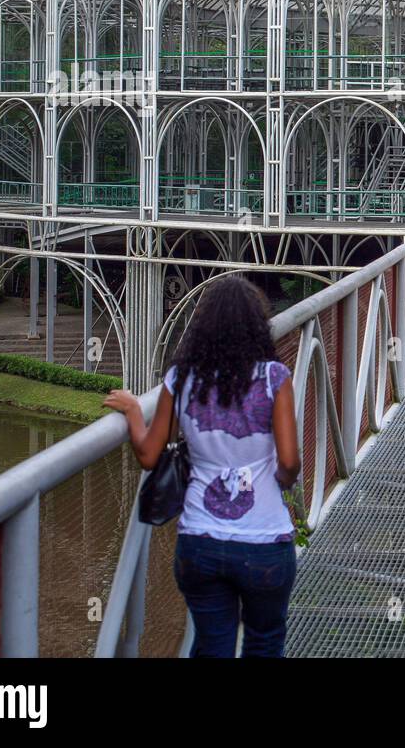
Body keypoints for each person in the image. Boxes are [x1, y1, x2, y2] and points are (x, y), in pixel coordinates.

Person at [103, 276, 300, 657]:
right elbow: (290, 461)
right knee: (265, 640)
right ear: (258, 325)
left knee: (212, 645)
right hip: (264, 544)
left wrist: (132, 411)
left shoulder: (181, 378)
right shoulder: (275, 378)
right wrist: (281, 480)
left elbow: (148, 454)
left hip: (199, 542)